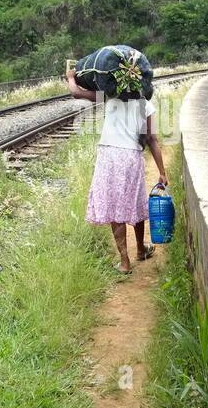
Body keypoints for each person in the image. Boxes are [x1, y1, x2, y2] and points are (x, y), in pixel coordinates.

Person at [65, 65, 168, 274]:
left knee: (114, 208)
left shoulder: (110, 97)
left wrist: (70, 77)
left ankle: (124, 262)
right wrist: (162, 171)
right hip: (131, 156)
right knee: (135, 203)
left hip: (109, 156)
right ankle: (140, 249)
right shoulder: (145, 104)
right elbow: (152, 140)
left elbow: (76, 93)